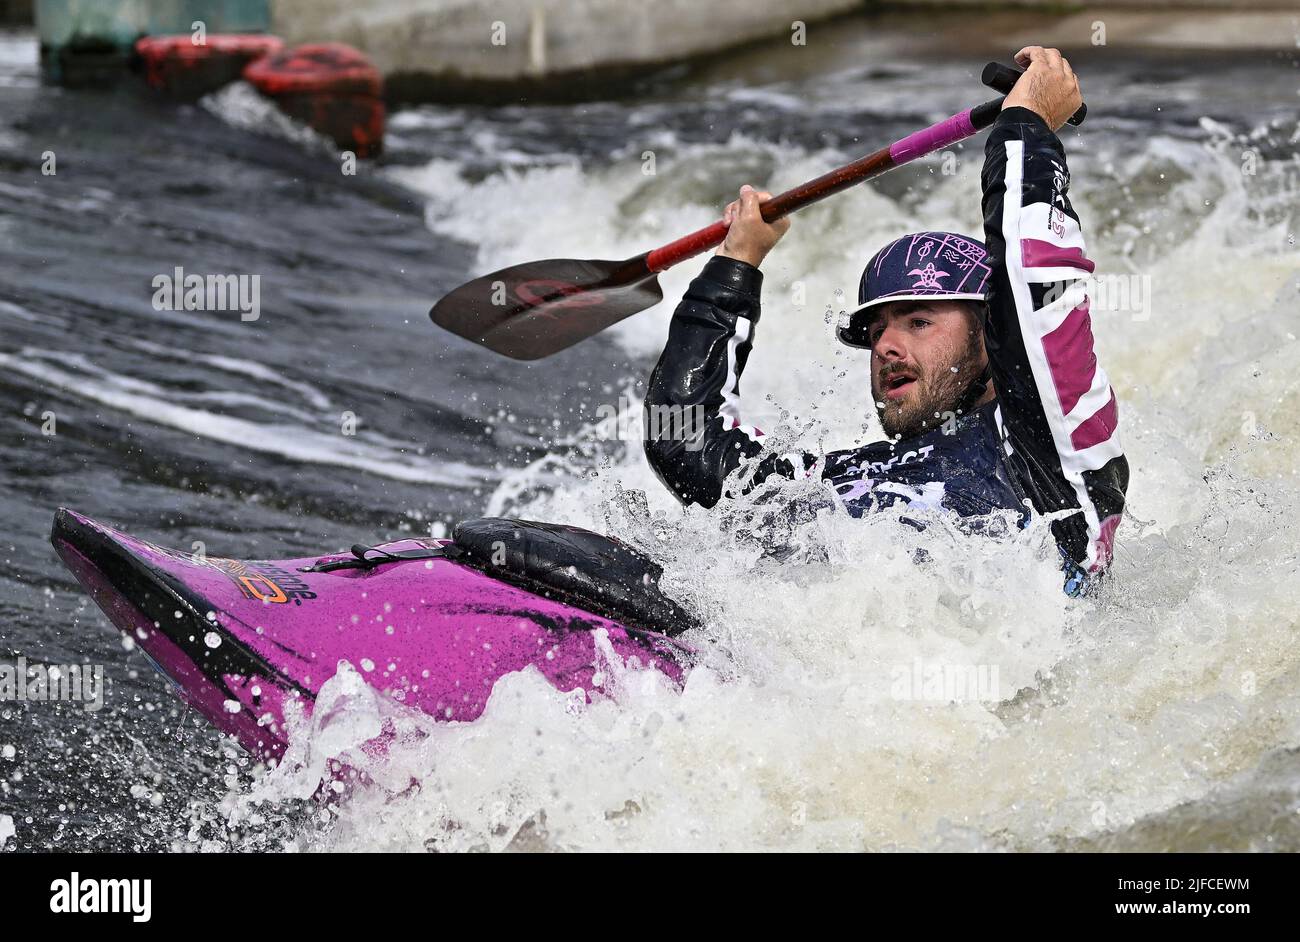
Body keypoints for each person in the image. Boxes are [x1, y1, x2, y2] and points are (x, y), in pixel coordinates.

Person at [643, 47, 1128, 595]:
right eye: (876, 333)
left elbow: (1030, 281)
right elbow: (682, 441)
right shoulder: (835, 480)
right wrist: (735, 265)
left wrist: (1027, 124)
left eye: (919, 321)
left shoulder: (1051, 447)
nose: (888, 347)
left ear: (989, 336)